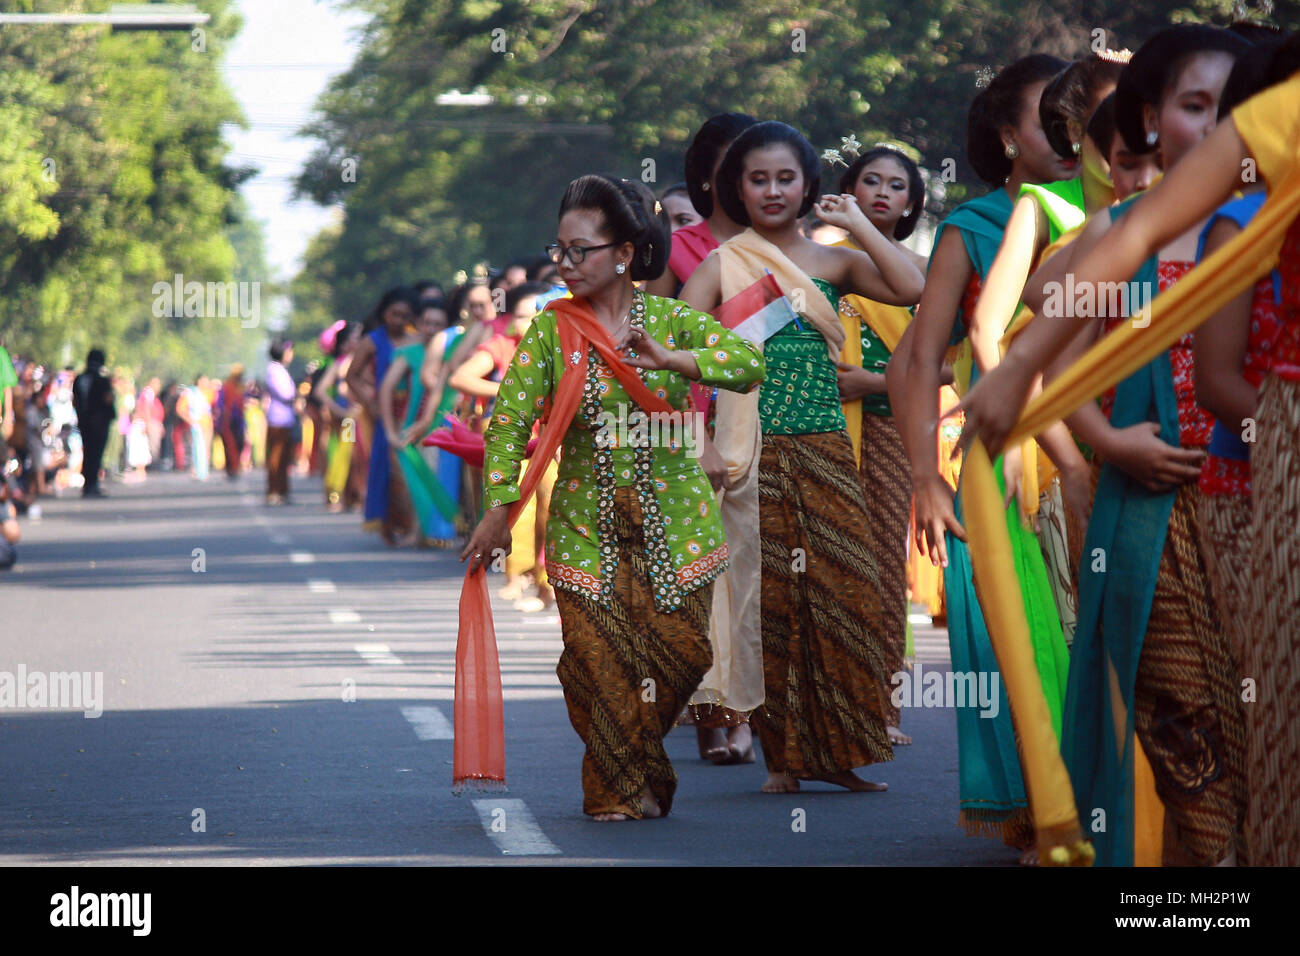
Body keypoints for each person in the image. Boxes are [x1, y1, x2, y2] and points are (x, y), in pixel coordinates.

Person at [955, 39, 1298, 867]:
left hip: (1250, 500)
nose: (1218, 130)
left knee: (1259, 735)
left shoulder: (1263, 219)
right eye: (1194, 109)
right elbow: (1050, 324)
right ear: (1147, 124)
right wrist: (1099, 447)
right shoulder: (1125, 232)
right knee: (1189, 731)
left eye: (1226, 111)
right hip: (1162, 508)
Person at [462, 174, 765, 820]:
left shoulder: (672, 319)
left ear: (625, 253)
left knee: (684, 655)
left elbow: (746, 363)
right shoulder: (550, 332)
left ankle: (629, 759)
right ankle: (617, 790)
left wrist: (675, 362)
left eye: (581, 251)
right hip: (583, 528)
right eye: (560, 250)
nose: (565, 264)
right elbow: (511, 423)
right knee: (600, 662)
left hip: (679, 527)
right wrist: (497, 510)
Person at [681, 120, 925, 793]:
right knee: (771, 606)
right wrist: (697, 443)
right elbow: (669, 364)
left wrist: (859, 222)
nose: (771, 190)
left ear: (808, 185)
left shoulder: (831, 261)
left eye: (785, 177)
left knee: (849, 594)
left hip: (824, 446)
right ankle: (783, 758)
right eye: (757, 179)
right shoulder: (720, 266)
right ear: (738, 187)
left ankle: (839, 747)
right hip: (750, 455)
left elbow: (911, 288)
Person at [887, 54, 1075, 861]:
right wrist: (926, 480)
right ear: (1007, 137)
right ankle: (1051, 808)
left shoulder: (1135, 210)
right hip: (1003, 462)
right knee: (1026, 641)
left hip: (1109, 445)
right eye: (1050, 120)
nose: (1071, 137)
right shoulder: (974, 229)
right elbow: (919, 359)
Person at [832, 144, 929, 747]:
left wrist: (875, 381)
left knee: (884, 567)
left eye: (897, 185)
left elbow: (953, 364)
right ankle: (829, 710)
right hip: (822, 426)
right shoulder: (821, 260)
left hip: (893, 428)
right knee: (831, 564)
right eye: (871, 181)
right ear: (850, 191)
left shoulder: (925, 269)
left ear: (913, 203)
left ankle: (882, 708)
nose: (884, 192)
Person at [450, 281, 555, 606]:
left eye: (539, 313)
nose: (533, 320)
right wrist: (514, 392)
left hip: (551, 434)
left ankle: (545, 583)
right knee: (517, 508)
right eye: (526, 314)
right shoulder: (502, 344)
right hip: (514, 431)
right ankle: (514, 576)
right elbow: (461, 377)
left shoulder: (558, 342)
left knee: (551, 508)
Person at [347, 287, 419, 543]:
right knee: (389, 470)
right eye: (394, 314)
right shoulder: (372, 341)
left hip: (414, 412)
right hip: (385, 415)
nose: (398, 320)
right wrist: (370, 404)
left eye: (404, 315)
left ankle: (414, 526)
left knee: (414, 470)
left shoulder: (416, 339)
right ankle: (391, 524)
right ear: (384, 313)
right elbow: (351, 376)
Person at [72, 349, 115, 498]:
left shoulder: (80, 379)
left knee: (88, 452)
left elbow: (75, 401)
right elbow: (108, 399)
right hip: (99, 422)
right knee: (96, 453)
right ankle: (92, 484)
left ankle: (88, 483)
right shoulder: (102, 380)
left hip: (84, 421)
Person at [264, 339, 298, 505]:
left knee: (284, 457)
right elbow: (286, 393)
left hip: (285, 419)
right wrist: (297, 394)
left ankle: (283, 491)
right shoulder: (274, 370)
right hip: (277, 419)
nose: (291, 354)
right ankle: (273, 491)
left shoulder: (281, 370)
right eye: (289, 351)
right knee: (276, 457)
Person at [216, 365, 247, 479]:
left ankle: (235, 467)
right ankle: (231, 469)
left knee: (239, 443)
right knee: (229, 445)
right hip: (227, 420)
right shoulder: (226, 387)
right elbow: (220, 402)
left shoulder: (240, 387)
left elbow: (242, 402)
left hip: (238, 421)